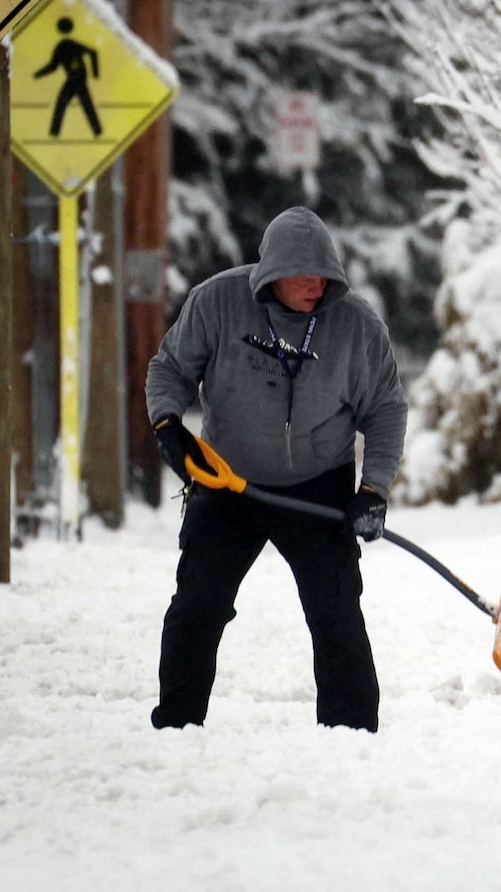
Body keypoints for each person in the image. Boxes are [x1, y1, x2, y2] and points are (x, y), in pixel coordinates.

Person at [145, 206, 407, 732]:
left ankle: (352, 732)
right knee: (198, 602)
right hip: (227, 482)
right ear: (270, 276)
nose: (315, 285)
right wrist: (169, 426)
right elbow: (170, 368)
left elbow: (384, 410)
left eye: (324, 274)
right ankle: (176, 723)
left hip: (317, 488)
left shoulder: (356, 327)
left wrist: (373, 489)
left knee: (335, 611)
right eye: (301, 275)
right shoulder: (217, 302)